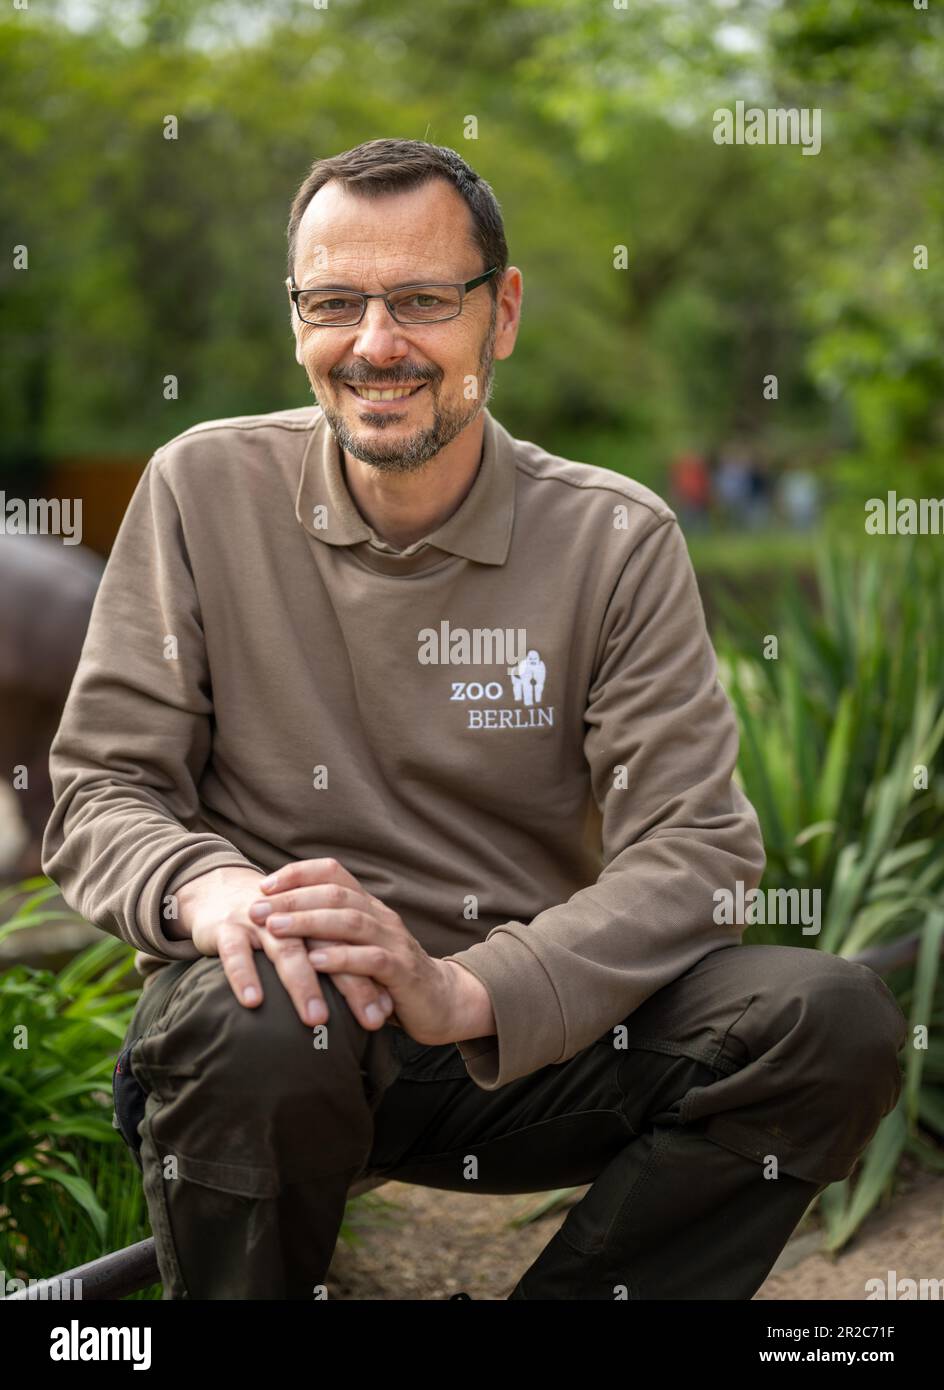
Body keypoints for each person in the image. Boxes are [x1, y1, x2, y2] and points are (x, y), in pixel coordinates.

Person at [41, 138, 906, 1301]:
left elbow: (697, 850)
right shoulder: (200, 489)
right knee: (250, 1021)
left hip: (529, 1043)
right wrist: (213, 890)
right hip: (276, 1045)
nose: (375, 343)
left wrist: (467, 990)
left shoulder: (614, 538)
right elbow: (101, 788)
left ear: (498, 314)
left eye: (421, 301)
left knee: (829, 1020)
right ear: (295, 317)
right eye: (334, 302)